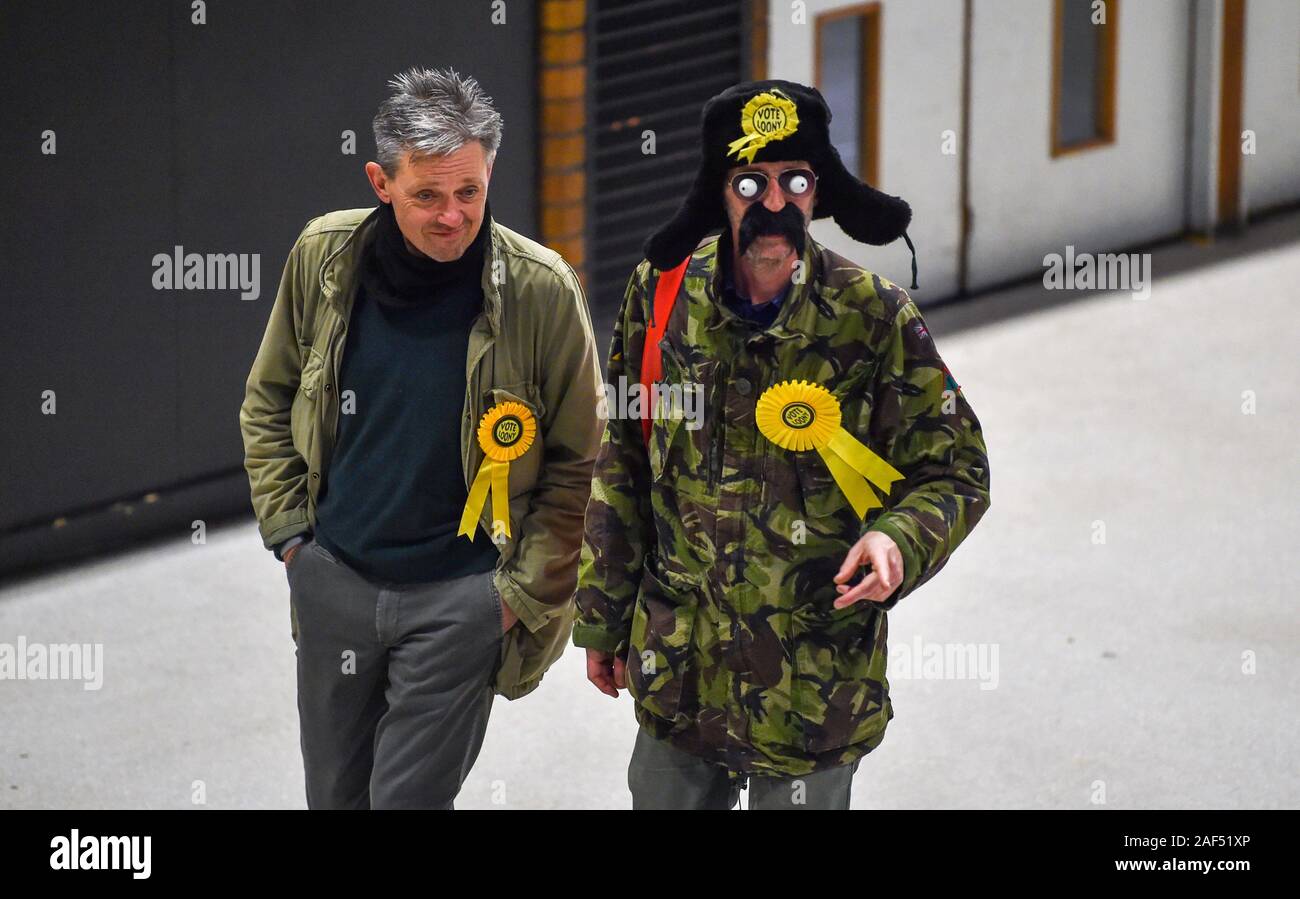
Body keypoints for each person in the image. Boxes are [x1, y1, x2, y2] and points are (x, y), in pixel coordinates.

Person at [574, 79, 992, 809]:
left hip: (811, 684)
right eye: (750, 182)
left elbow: (957, 470)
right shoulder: (661, 296)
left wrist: (898, 540)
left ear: (818, 190)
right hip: (681, 671)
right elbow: (626, 461)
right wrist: (604, 617)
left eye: (795, 181)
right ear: (719, 192)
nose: (774, 204)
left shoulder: (872, 317)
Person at [239, 67, 603, 809]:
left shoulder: (541, 290)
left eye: (469, 191)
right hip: (334, 578)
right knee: (334, 797)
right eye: (427, 195)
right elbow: (268, 399)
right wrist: (292, 543)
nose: (452, 216)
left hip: (461, 601)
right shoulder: (323, 257)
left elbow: (580, 463)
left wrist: (513, 599)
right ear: (381, 181)